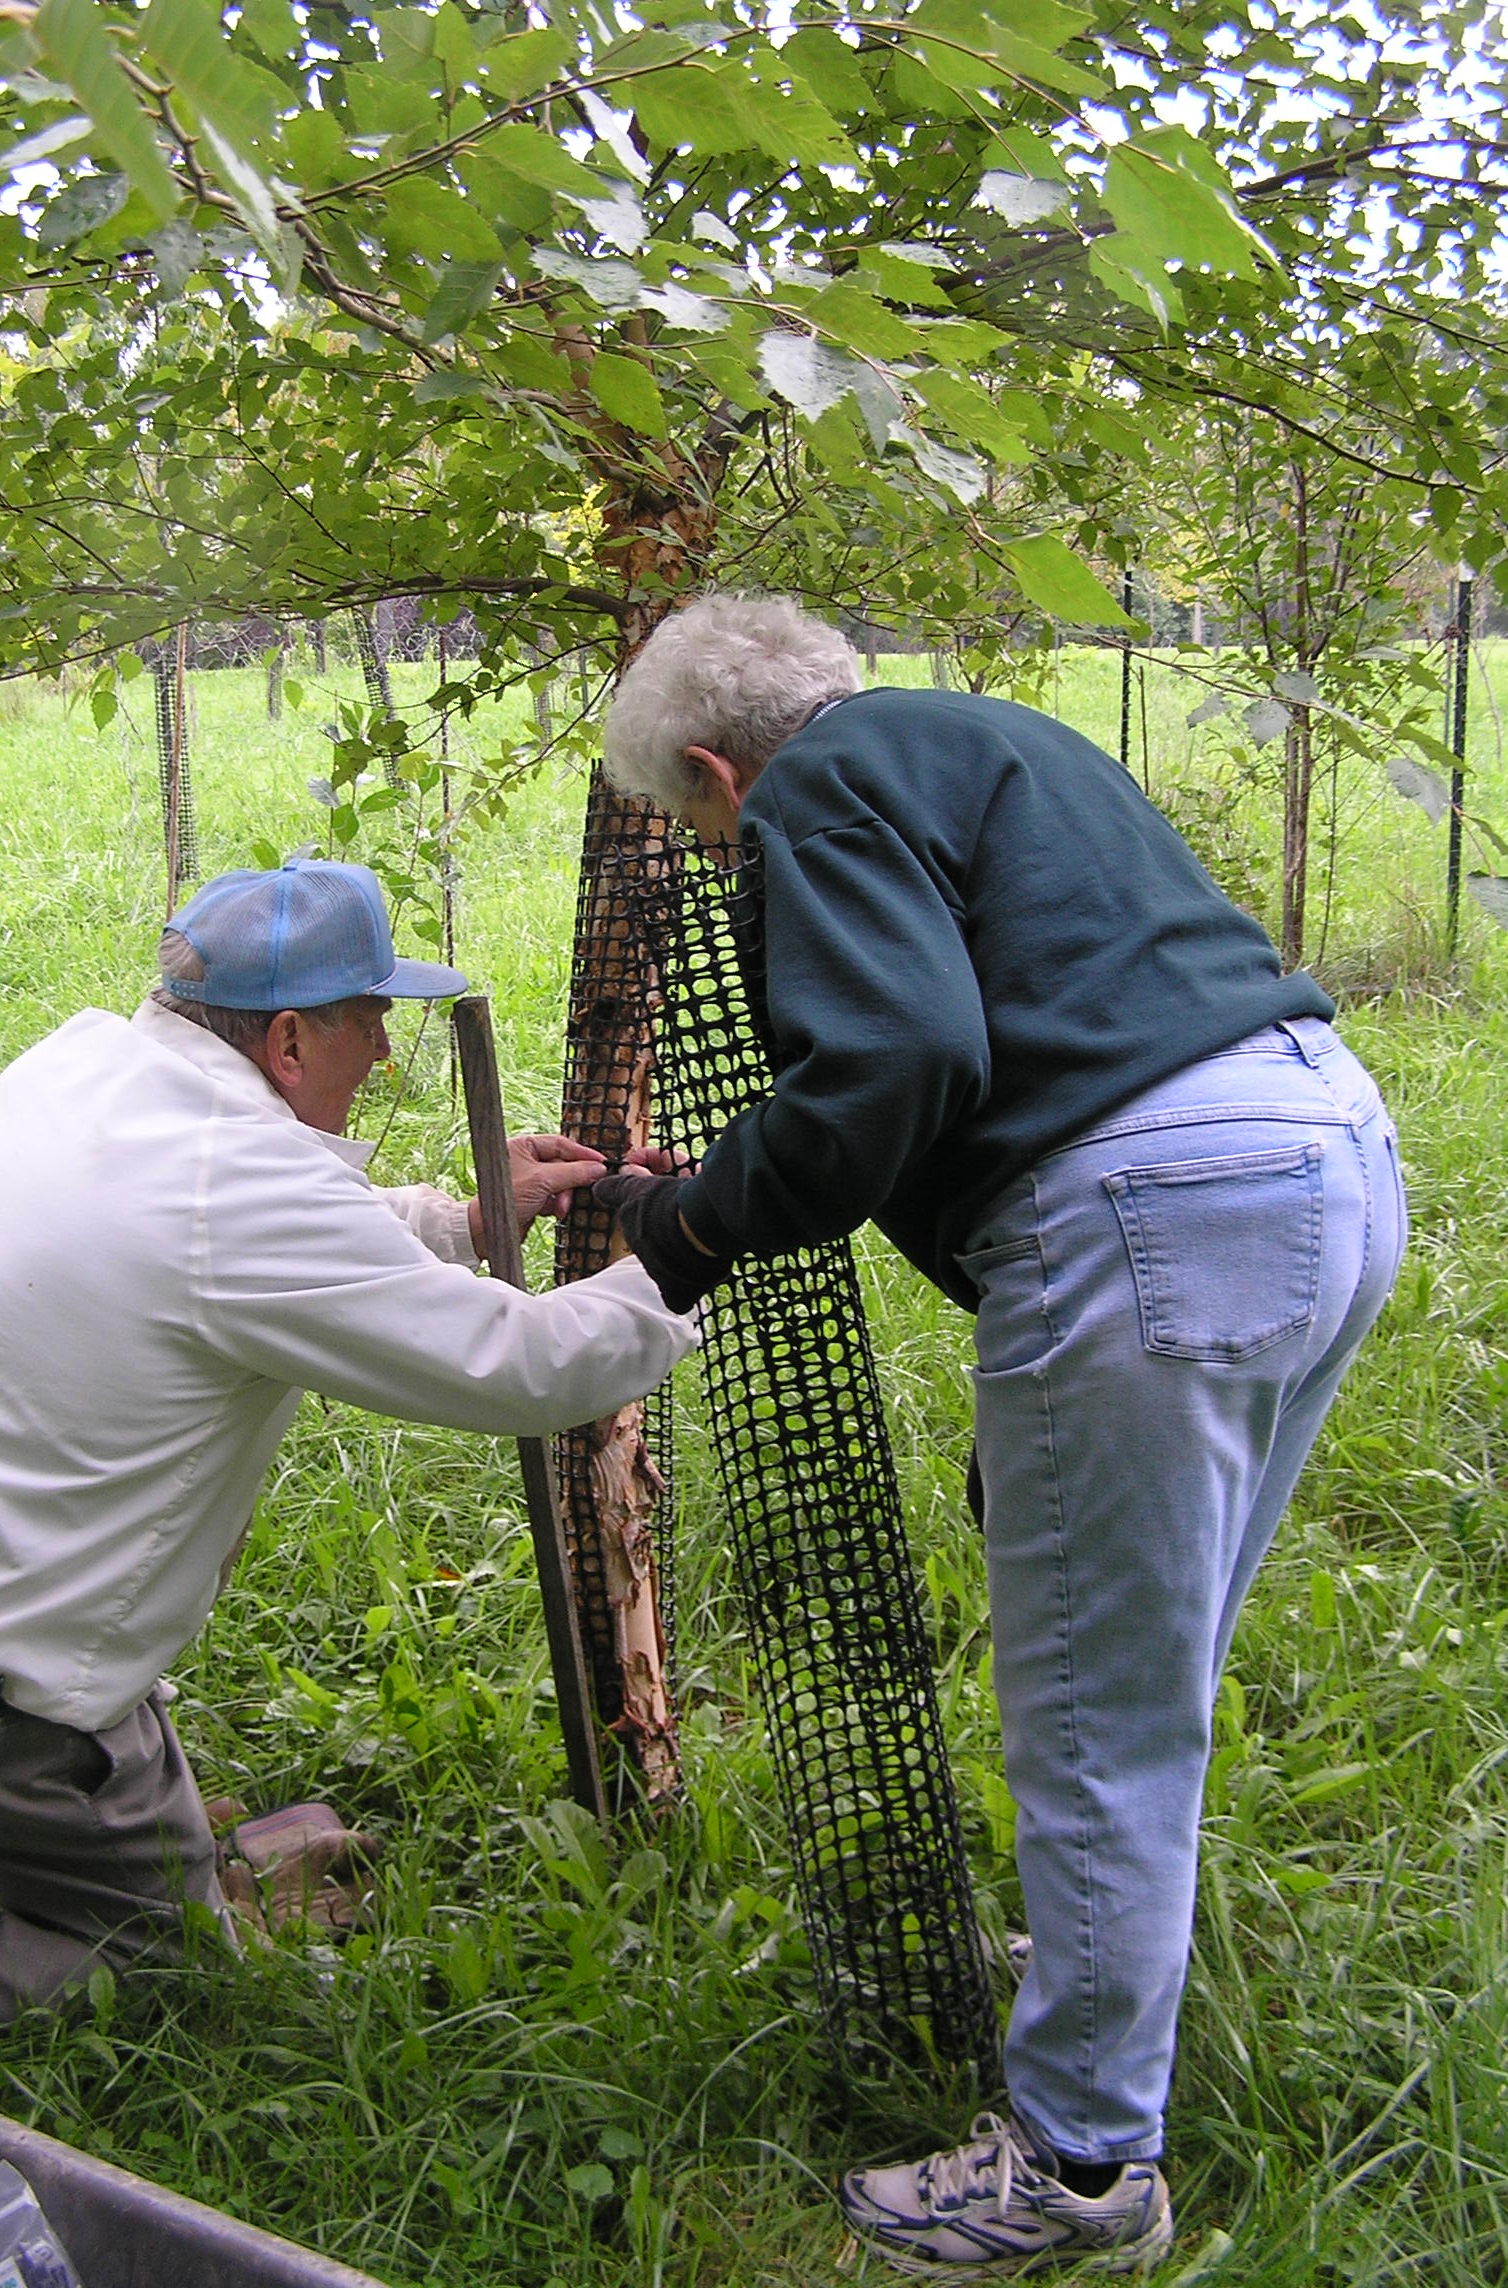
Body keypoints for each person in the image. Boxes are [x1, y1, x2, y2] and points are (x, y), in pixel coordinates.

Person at [593, 594, 1405, 2277]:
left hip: (1156, 1196)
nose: (717, 850)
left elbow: (894, 1058)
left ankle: (1082, 2164)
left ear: (708, 766)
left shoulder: (812, 790)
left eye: (698, 827)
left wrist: (681, 1225)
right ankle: (1099, 1970)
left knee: (1100, 1709)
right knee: (1149, 1648)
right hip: (1320, 1145)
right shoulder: (980, 732)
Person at [0, 858, 696, 2057]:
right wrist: (687, 1254)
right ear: (284, 1040)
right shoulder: (236, 1187)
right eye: (368, 1017)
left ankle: (117, 1836)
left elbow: (252, 1226)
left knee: (158, 1860)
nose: (382, 1050)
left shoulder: (91, 1064)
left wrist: (464, 1224)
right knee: (154, 1971)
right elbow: (523, 1366)